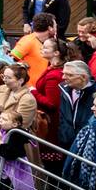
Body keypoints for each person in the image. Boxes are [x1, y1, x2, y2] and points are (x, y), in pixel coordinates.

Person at [33, 38, 73, 172]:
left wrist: (33, 92)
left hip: (51, 125)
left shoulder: (55, 75)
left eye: (45, 48)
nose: (41, 49)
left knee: (52, 166)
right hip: (49, 122)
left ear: (56, 53)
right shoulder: (53, 69)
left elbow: (51, 104)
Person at [58, 60, 96, 150]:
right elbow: (63, 116)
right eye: (63, 73)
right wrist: (64, 134)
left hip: (87, 146)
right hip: (66, 143)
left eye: (69, 75)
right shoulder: (65, 90)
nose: (63, 77)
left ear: (83, 77)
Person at [0, 63, 37, 130]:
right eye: (3, 76)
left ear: (20, 81)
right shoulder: (2, 88)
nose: (4, 79)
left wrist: (1, 112)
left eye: (8, 78)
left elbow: (20, 125)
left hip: (12, 137)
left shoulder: (28, 99)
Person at [10, 11, 54, 87]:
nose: (57, 28)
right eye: (55, 26)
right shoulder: (28, 41)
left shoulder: (47, 42)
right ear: (50, 28)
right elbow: (11, 59)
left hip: (39, 88)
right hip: (28, 90)